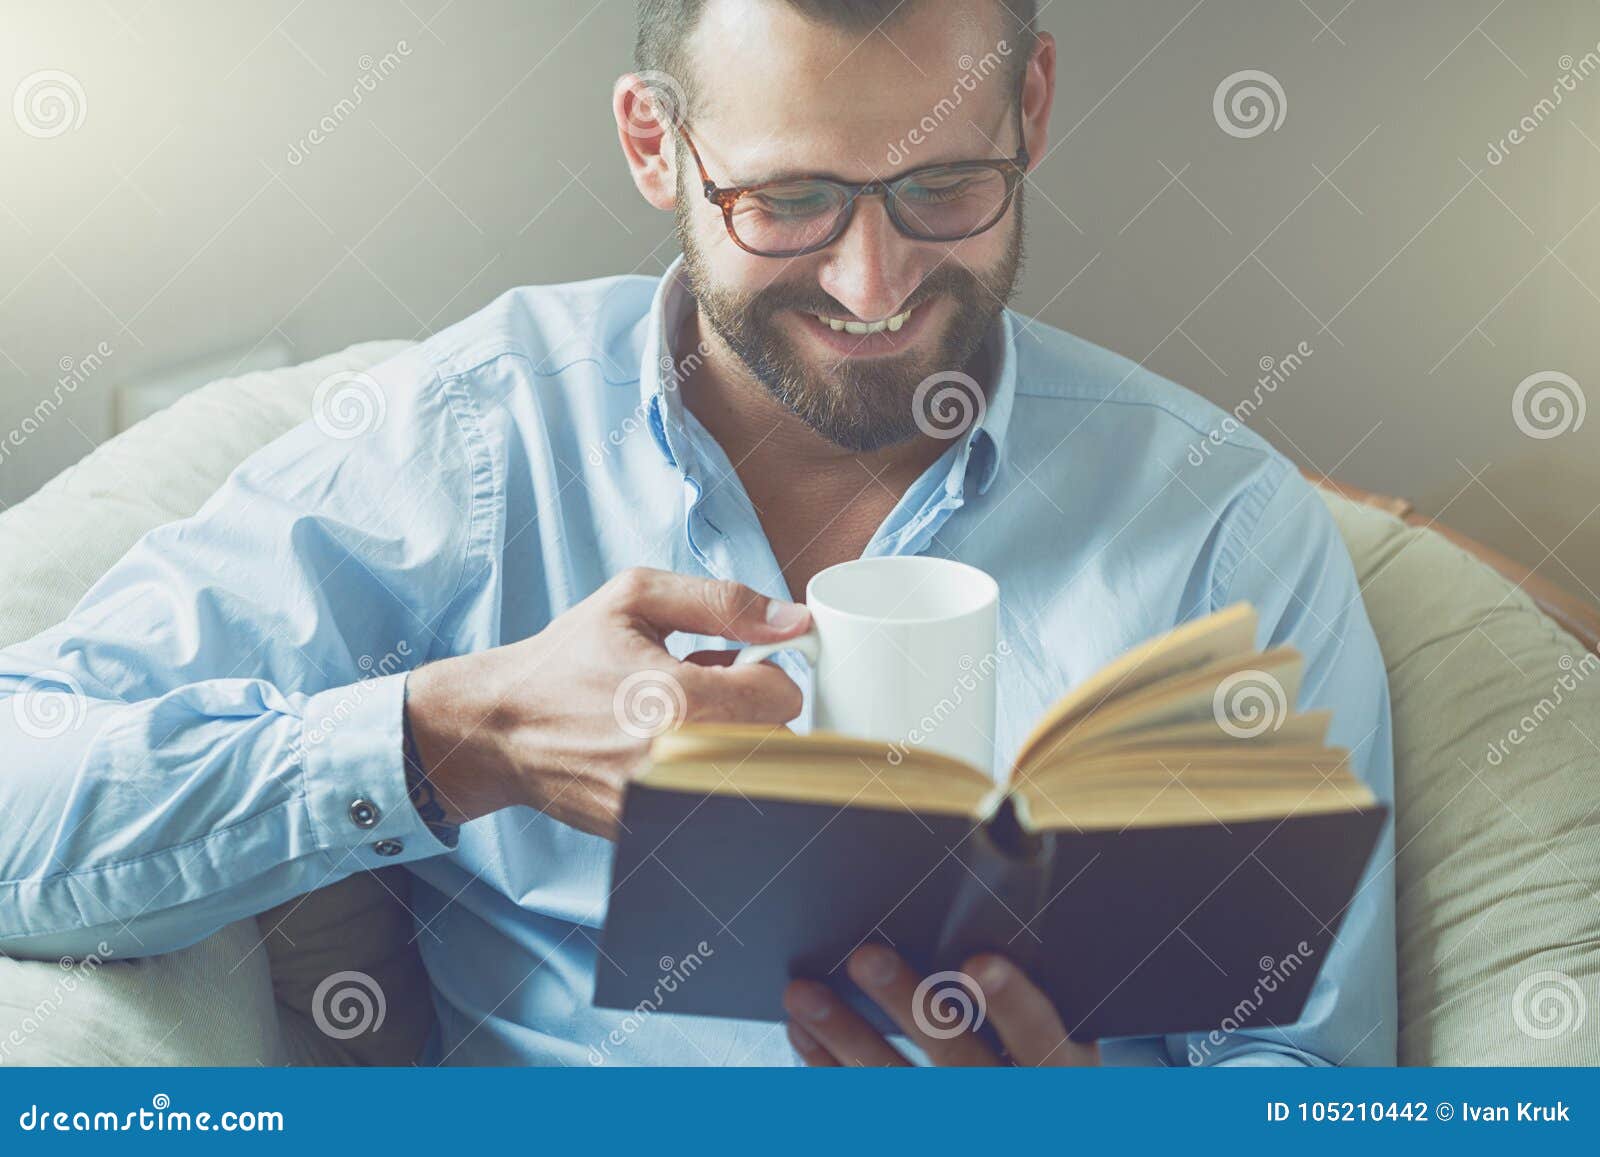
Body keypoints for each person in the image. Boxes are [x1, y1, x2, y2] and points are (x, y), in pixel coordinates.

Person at [0, 0, 1395, 1067]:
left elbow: (1312, 1076)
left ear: (1029, 104)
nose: (875, 285)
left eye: (943, 190)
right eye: (788, 201)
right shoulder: (472, 441)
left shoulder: (1219, 523)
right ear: (655, 142)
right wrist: (452, 737)